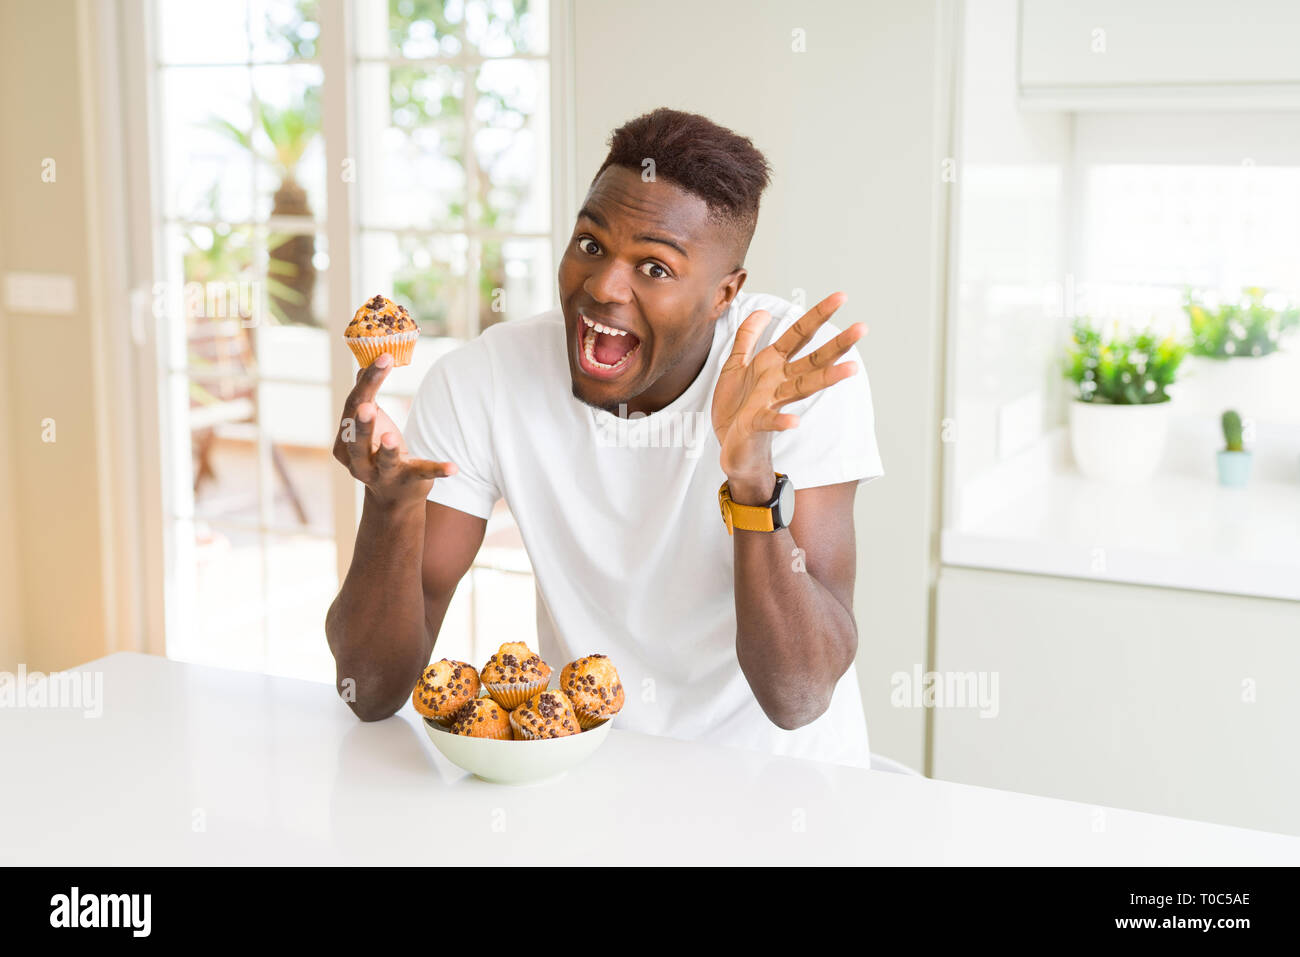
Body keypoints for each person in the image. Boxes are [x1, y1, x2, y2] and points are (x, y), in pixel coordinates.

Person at [325, 107, 884, 767]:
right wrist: (390, 507)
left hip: (783, 787)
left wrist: (752, 481)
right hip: (589, 775)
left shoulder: (789, 374)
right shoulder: (484, 380)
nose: (601, 286)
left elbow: (799, 695)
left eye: (654, 267)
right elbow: (371, 687)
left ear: (724, 294)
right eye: (591, 244)